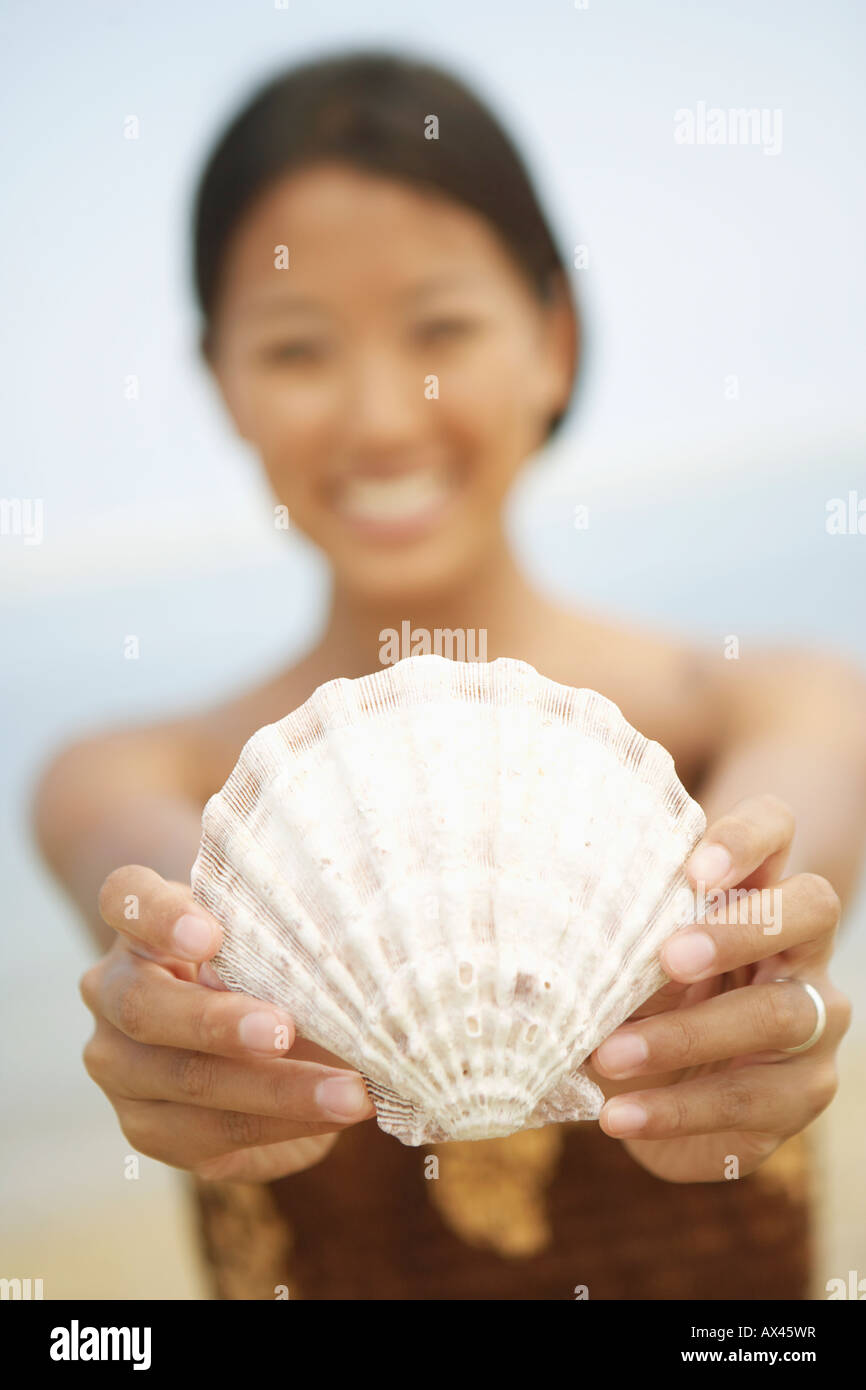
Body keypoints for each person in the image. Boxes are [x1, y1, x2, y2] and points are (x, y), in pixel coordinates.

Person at [34, 49, 866, 1300]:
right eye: (299, 348)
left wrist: (762, 954)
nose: (379, 415)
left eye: (440, 328)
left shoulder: (774, 701)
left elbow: (786, 849)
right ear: (225, 384)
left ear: (552, 341)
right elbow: (149, 880)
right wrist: (176, 960)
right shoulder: (134, 773)